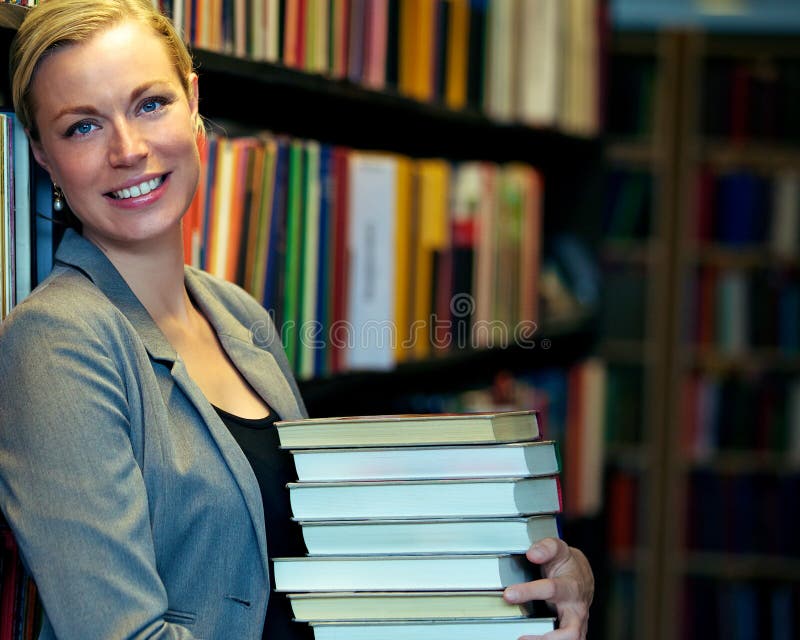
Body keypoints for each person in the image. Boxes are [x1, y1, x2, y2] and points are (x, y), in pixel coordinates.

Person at [0, 0, 594, 638]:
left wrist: (527, 591)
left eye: (150, 104)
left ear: (192, 100)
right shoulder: (54, 342)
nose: (128, 149)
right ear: (42, 153)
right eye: (82, 127)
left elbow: (325, 581)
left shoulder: (238, 315)